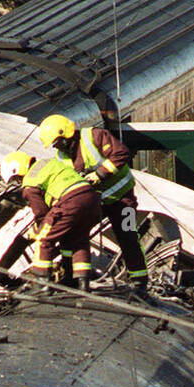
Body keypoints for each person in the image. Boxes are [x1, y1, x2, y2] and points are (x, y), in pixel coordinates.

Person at [37, 114, 149, 293]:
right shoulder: (61, 158)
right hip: (94, 202)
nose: (57, 147)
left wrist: (99, 174)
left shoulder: (94, 136)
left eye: (58, 142)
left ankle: (139, 281)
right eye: (54, 144)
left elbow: (121, 153)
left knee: (127, 235)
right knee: (73, 234)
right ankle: (71, 276)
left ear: (67, 135)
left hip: (122, 199)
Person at [0, 149, 99, 292]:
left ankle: (42, 284)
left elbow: (42, 214)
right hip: (91, 199)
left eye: (16, 179)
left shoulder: (29, 184)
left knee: (43, 239)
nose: (19, 182)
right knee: (77, 240)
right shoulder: (48, 162)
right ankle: (80, 282)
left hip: (70, 202)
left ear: (17, 170)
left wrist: (37, 231)